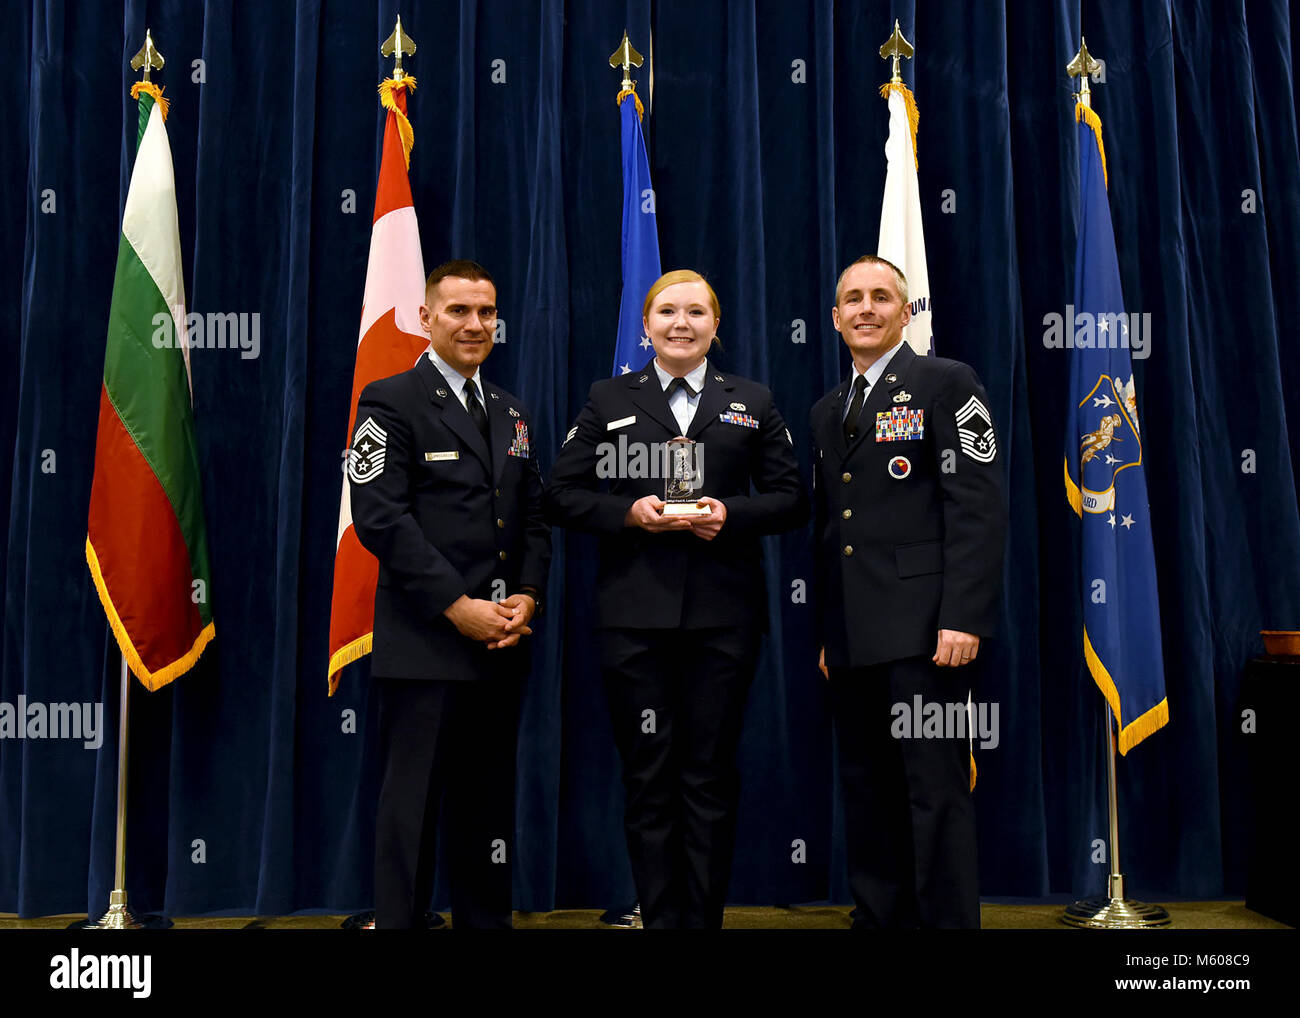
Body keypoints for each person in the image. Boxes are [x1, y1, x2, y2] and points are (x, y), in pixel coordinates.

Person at [545, 270, 808, 929]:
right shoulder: (609, 399)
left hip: (724, 621)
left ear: (716, 326)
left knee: (709, 777)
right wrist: (628, 513)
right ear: (646, 326)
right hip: (635, 622)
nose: (681, 322)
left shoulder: (750, 398)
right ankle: (660, 921)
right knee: (650, 776)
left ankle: (702, 924)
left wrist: (733, 513)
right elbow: (559, 496)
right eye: (667, 311)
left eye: (696, 311)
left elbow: (792, 498)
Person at [349, 259, 550, 929]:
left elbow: (534, 517)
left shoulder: (511, 410)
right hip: (427, 639)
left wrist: (526, 595)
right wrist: (457, 607)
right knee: (411, 806)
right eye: (459, 311)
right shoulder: (389, 399)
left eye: (486, 312)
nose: (474, 324)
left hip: (501, 640)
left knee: (487, 806)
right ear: (426, 317)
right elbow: (380, 518)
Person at [811, 255, 1006, 929]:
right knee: (868, 791)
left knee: (936, 793)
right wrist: (829, 636)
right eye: (852, 300)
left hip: (929, 635)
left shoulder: (947, 382)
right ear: (836, 319)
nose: (866, 308)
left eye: (880, 297)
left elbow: (977, 507)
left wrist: (963, 616)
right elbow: (834, 532)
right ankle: (880, 920)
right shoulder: (827, 410)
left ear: (905, 311)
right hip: (856, 640)